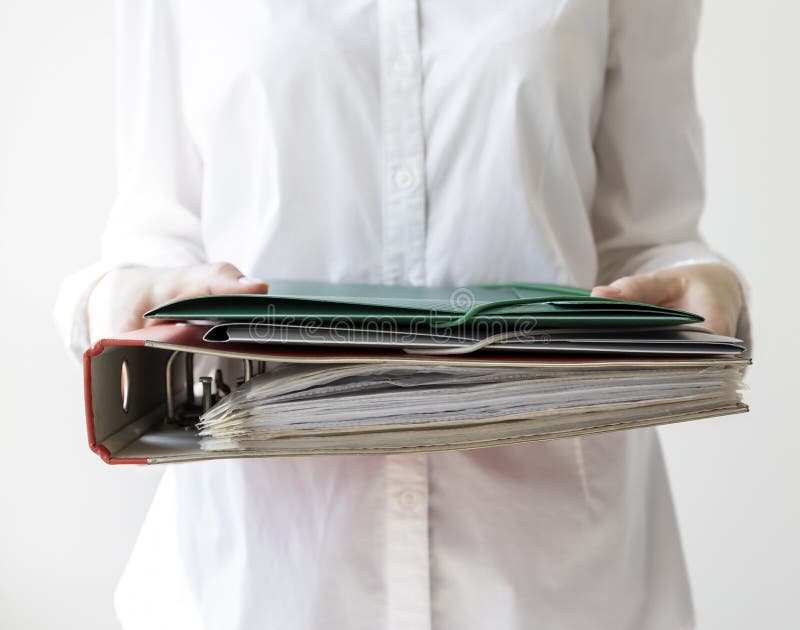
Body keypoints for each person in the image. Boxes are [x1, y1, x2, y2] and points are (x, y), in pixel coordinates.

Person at [55, 1, 748, 628]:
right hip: (265, 571)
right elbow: (154, 235)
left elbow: (651, 238)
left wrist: (707, 284)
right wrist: (113, 297)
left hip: (553, 576)